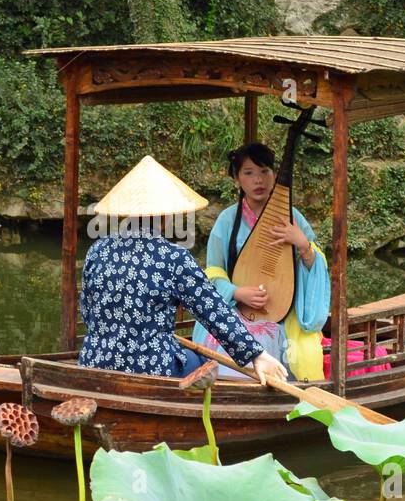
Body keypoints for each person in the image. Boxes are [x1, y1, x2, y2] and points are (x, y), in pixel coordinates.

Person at [77, 155, 289, 386]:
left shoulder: (96, 250)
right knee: (200, 364)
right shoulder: (172, 257)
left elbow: (87, 312)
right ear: (167, 215)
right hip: (152, 366)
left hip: (94, 361)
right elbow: (213, 311)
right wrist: (256, 354)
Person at [191, 142, 330, 381]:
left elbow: (317, 269)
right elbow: (212, 273)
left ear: (274, 175)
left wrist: (303, 245)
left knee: (295, 347)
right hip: (234, 311)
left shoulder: (292, 216)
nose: (258, 180)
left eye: (265, 171)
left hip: (282, 312)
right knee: (234, 342)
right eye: (249, 173)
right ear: (237, 179)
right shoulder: (227, 221)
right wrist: (237, 292)